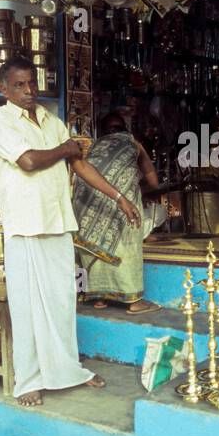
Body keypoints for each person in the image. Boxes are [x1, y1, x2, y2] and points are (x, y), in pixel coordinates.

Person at [0, 57, 142, 408]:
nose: (28, 91)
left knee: (61, 301)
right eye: (19, 85)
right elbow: (27, 161)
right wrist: (65, 149)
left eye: (31, 84)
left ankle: (68, 370)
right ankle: (28, 379)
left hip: (57, 221)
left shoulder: (50, 120)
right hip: (24, 225)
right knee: (27, 305)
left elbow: (80, 164)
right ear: (4, 89)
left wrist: (119, 197)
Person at [72, 112, 163, 315]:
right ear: (126, 130)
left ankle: (100, 298)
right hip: (121, 204)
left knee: (96, 248)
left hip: (85, 207)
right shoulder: (133, 144)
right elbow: (154, 181)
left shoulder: (94, 147)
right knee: (127, 244)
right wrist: (134, 188)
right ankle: (134, 301)